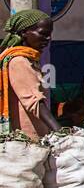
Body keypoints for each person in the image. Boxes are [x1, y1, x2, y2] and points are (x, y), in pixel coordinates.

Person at [0, 9, 57, 140]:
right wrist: (59, 130)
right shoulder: (19, 61)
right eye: (43, 34)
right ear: (24, 32)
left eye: (49, 34)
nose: (48, 39)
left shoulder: (24, 58)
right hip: (27, 140)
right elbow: (34, 100)